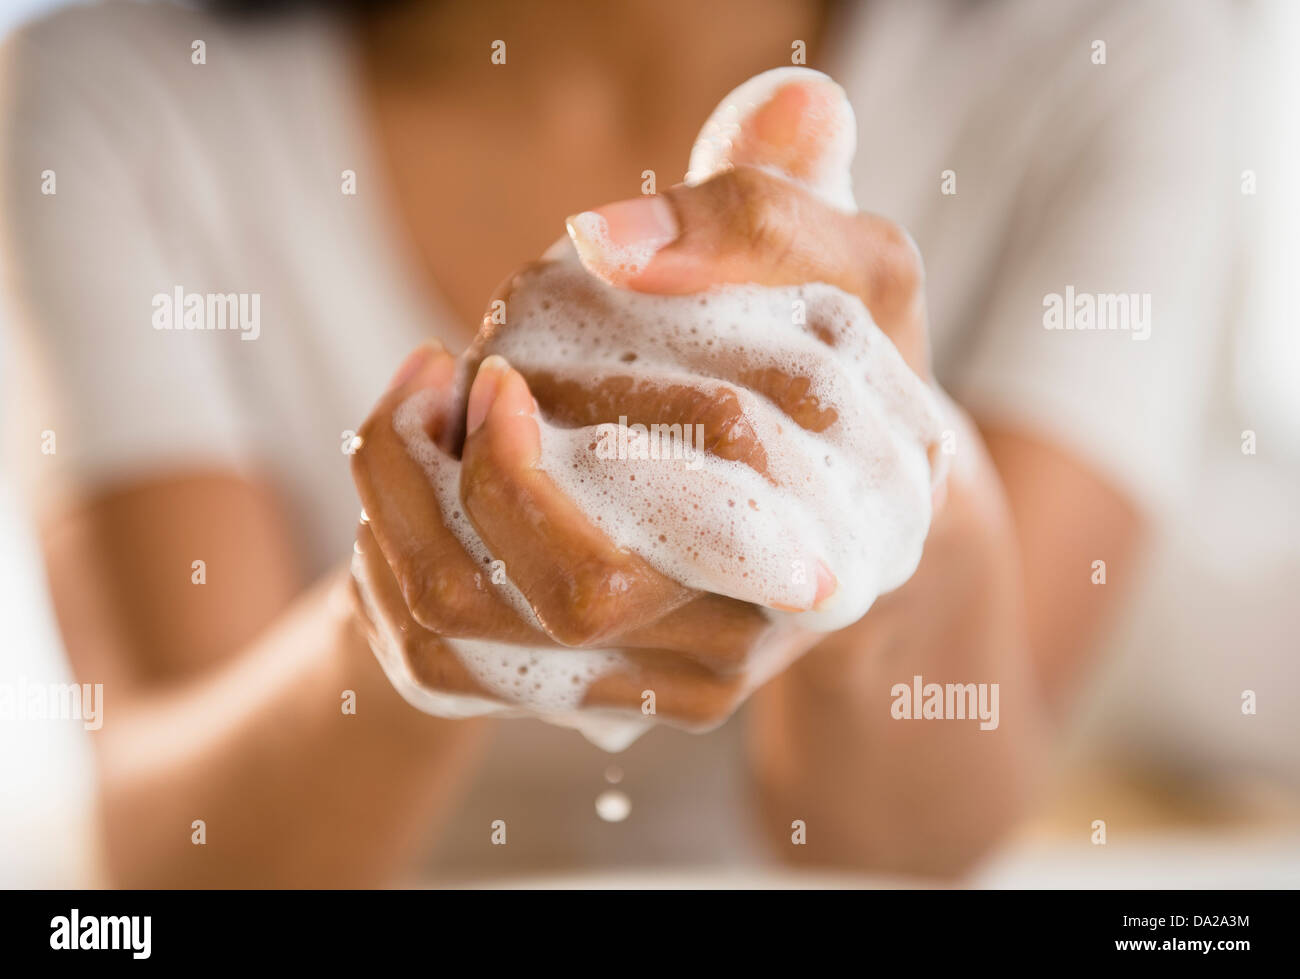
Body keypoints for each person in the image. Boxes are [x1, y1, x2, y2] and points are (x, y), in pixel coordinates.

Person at [0, 0, 1235, 885]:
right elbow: (167, 861)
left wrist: (901, 483)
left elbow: (909, 844)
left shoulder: (1120, 53)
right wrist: (405, 629)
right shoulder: (113, 87)